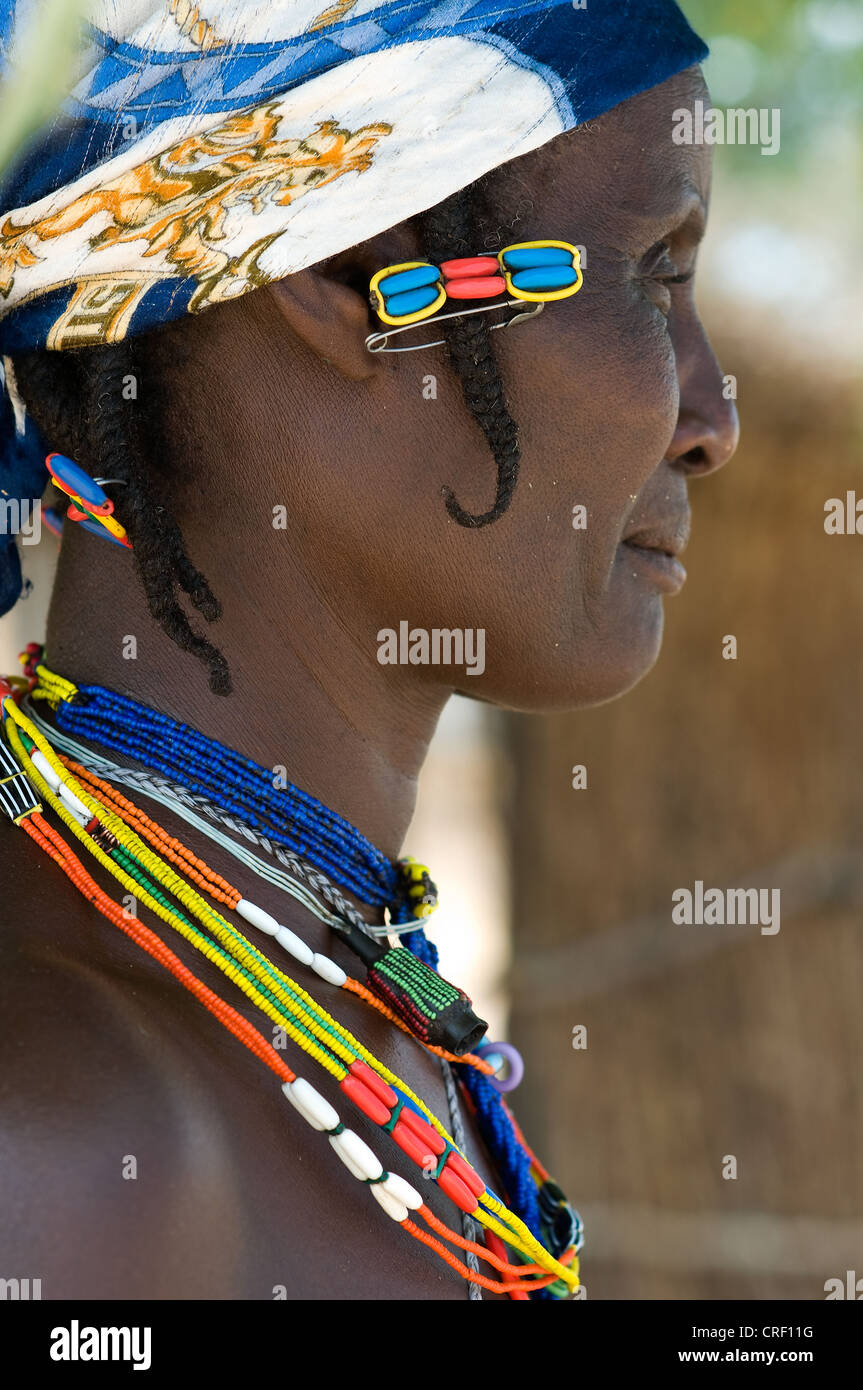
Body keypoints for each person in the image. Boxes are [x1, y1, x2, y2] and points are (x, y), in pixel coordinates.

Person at [0, 0, 738, 1299]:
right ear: (348, 270)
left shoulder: (367, 1042)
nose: (712, 416)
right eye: (654, 270)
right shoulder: (64, 1137)